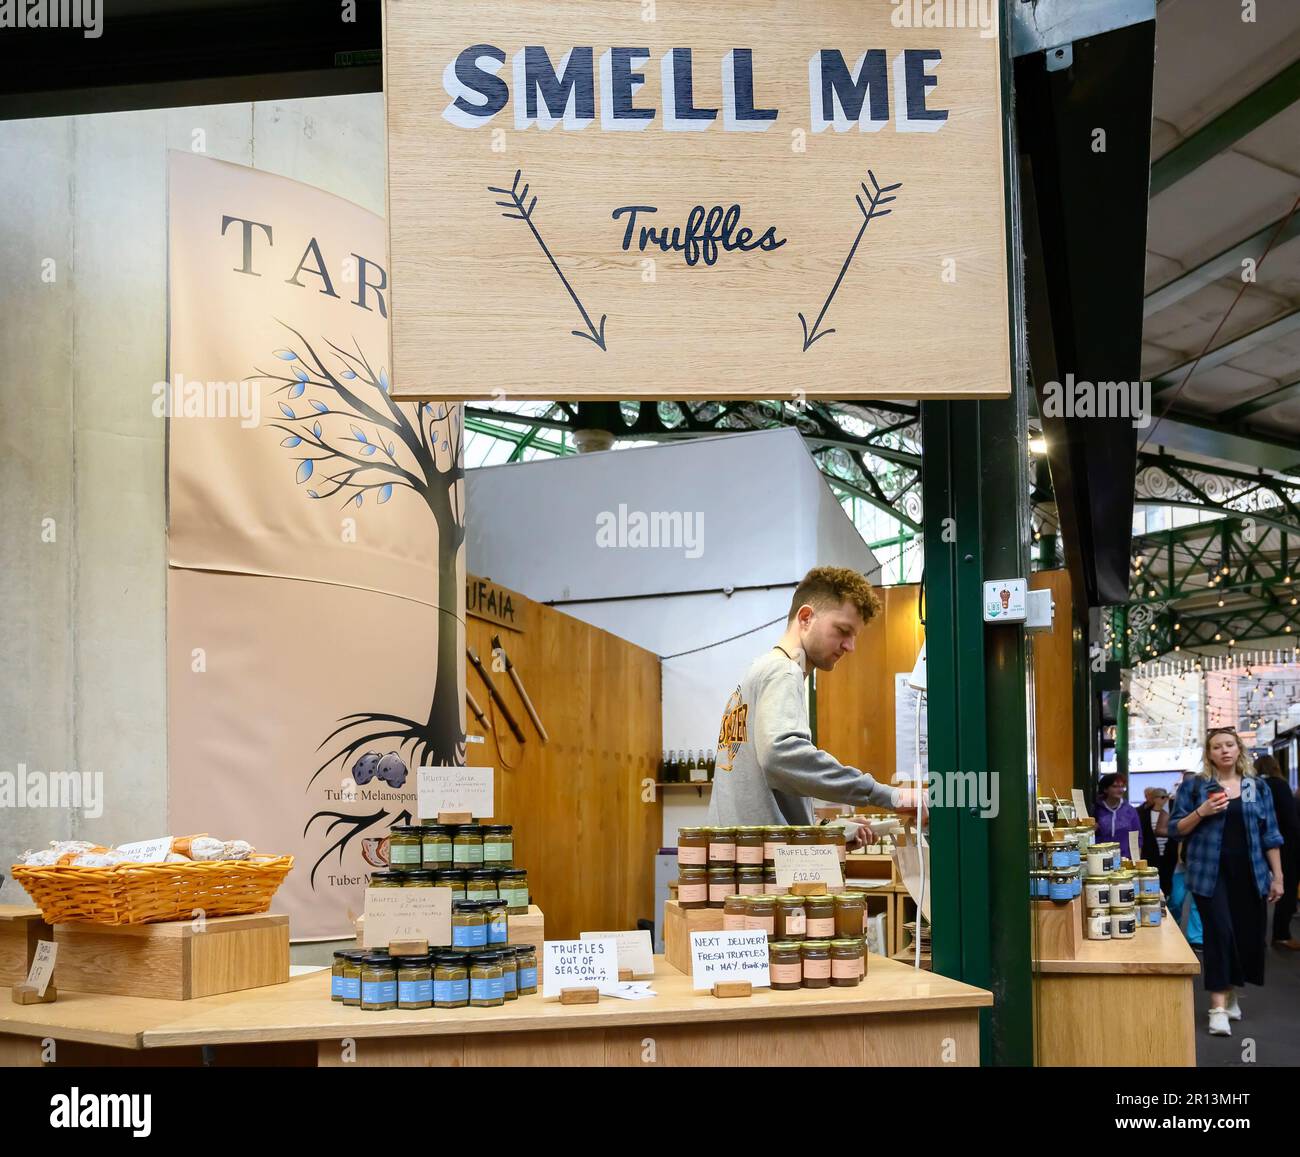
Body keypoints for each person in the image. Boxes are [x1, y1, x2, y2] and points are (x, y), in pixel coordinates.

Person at [707, 566, 923, 832]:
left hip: (739, 862)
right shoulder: (783, 671)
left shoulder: (758, 672)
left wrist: (827, 830)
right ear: (806, 617)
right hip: (761, 869)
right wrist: (888, 795)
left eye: (854, 636)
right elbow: (781, 758)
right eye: (843, 631)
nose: (850, 646)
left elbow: (764, 794)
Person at [1169, 727, 1284, 1037]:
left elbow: (1270, 834)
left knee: (1245, 936)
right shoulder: (1196, 787)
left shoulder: (1255, 787)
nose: (1224, 751)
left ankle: (1231, 993)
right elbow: (1175, 828)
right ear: (1209, 754)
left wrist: (1279, 877)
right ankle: (1217, 1007)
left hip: (1250, 872)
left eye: (1229, 745)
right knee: (1219, 932)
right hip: (1210, 872)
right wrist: (1201, 811)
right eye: (1217, 746)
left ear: (1238, 749)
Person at [1254, 754, 1300, 949]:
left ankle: (1256, 938)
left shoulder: (1251, 785)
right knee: (1286, 889)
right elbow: (1291, 820)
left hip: (1256, 845)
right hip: (1285, 845)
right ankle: (1281, 935)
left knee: (1256, 892)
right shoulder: (1279, 785)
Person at [1136, 786, 1175, 896]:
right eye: (1162, 797)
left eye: (1167, 797)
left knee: (1167, 881)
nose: (1165, 800)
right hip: (1151, 854)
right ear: (1155, 798)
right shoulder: (1143, 814)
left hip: (1169, 854)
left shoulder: (1171, 814)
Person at [1094, 773, 1141, 856]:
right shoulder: (1096, 809)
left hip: (1125, 858)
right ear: (1105, 789)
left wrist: (1136, 860)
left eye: (1122, 786)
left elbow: (1137, 837)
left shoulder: (1130, 811)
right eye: (1115, 786)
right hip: (1101, 856)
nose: (1120, 790)